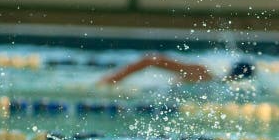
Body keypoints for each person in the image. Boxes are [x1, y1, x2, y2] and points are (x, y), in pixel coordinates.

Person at [98, 54, 254, 85]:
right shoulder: (202, 72)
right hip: (146, 88)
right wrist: (116, 78)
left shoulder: (215, 82)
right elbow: (152, 59)